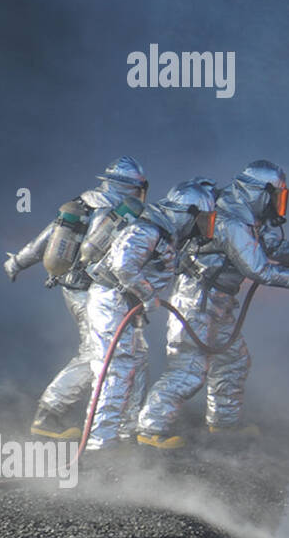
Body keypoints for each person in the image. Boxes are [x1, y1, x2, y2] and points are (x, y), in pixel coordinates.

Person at [137, 161, 289, 449]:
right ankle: (150, 430)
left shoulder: (248, 214)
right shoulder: (231, 220)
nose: (277, 203)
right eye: (274, 195)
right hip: (197, 300)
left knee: (233, 361)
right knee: (188, 369)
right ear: (259, 192)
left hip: (220, 300)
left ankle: (224, 424)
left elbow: (272, 246)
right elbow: (259, 270)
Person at [3, 157, 148, 440]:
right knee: (98, 355)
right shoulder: (120, 213)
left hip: (72, 288)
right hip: (95, 293)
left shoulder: (81, 203)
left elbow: (46, 239)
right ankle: (51, 415)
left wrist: (17, 263)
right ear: (134, 187)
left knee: (107, 351)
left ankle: (118, 423)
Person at [83, 179, 217, 452]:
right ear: (187, 213)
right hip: (112, 301)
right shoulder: (148, 228)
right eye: (202, 219)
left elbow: (165, 261)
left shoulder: (164, 231)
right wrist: (147, 296)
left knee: (137, 363)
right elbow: (123, 265)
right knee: (116, 370)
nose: (203, 226)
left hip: (124, 304)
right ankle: (100, 442)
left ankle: (125, 431)